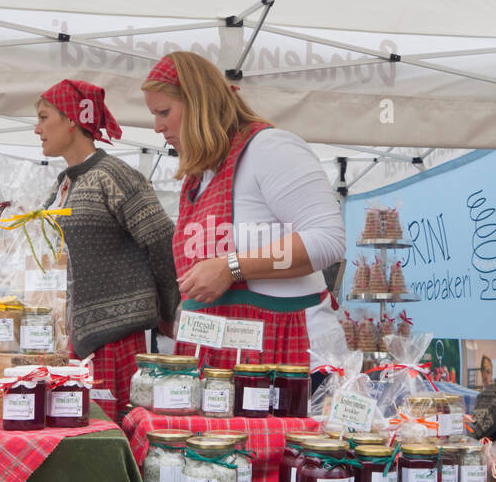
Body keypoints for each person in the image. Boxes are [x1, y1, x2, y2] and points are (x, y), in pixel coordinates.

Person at [142, 51, 345, 369]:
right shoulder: (198, 180)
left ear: (198, 104)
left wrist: (232, 268)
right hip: (220, 356)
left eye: (164, 112)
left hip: (288, 349)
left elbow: (328, 239)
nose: (157, 127)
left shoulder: (269, 149)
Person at [34, 79, 179, 415]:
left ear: (72, 118)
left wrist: (167, 312)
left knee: (110, 429)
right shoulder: (63, 183)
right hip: (71, 338)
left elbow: (161, 240)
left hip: (114, 337)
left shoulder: (113, 175)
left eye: (43, 118)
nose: (37, 129)